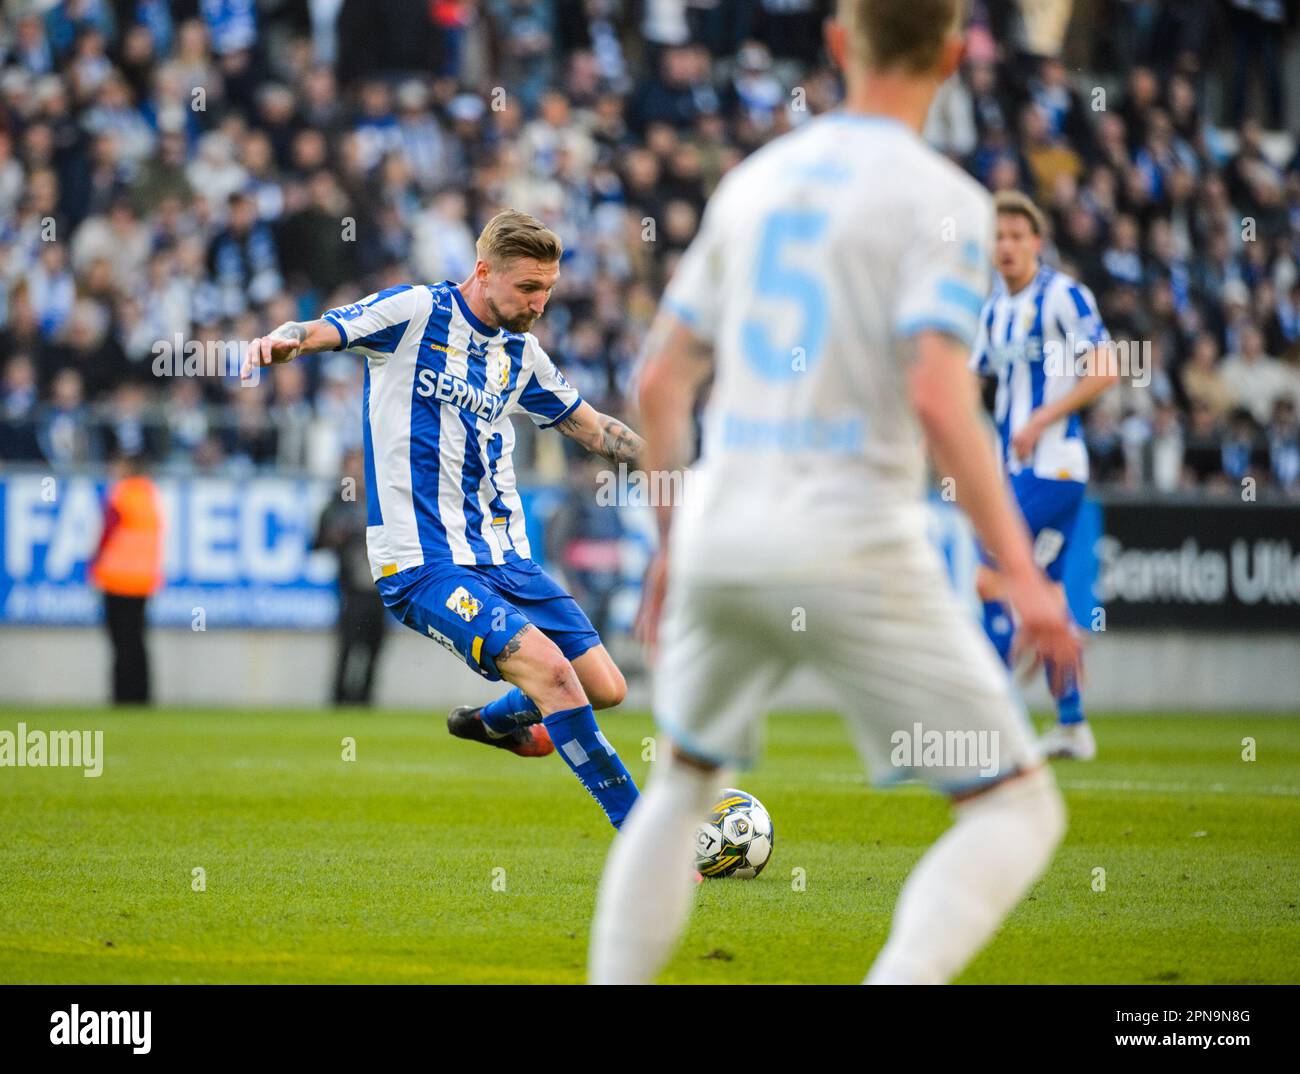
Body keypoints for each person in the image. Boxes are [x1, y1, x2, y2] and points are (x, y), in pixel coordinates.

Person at [588, 0, 1080, 985]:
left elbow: (657, 382)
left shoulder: (754, 182)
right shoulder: (945, 200)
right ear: (951, 57)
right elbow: (941, 396)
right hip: (851, 533)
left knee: (681, 786)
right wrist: (1021, 574)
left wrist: (675, 549)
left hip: (725, 527)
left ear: (837, 45)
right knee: (1016, 807)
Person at [242, 209, 646, 830]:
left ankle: (495, 723)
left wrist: (676, 463)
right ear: (484, 272)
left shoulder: (523, 355)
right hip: (423, 562)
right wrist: (283, 339)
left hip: (504, 556)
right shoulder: (415, 314)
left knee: (605, 687)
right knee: (556, 677)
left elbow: (593, 429)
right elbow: (325, 328)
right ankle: (644, 836)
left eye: (549, 290)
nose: (540, 304)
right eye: (528, 289)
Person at [969, 190, 1118, 761]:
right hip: (1016, 469)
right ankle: (1072, 723)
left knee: (987, 574)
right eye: (997, 237)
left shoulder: (1063, 296)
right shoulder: (993, 310)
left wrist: (1042, 416)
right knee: (1047, 595)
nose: (1005, 246)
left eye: (1016, 236)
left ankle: (991, 731)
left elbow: (1105, 369)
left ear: (1036, 242)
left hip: (1054, 467)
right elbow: (969, 380)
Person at [89, 452, 164, 705]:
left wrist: (93, 564)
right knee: (138, 640)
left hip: (117, 578)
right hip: (143, 580)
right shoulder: (150, 496)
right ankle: (141, 695)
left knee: (120, 643)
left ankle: (122, 696)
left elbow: (107, 532)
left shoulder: (120, 494)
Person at [316, 448, 388, 706]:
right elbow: (318, 540)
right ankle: (339, 698)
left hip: (380, 590)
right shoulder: (338, 504)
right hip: (352, 589)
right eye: (353, 468)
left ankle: (365, 699)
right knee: (347, 646)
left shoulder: (382, 503)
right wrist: (337, 536)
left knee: (375, 647)